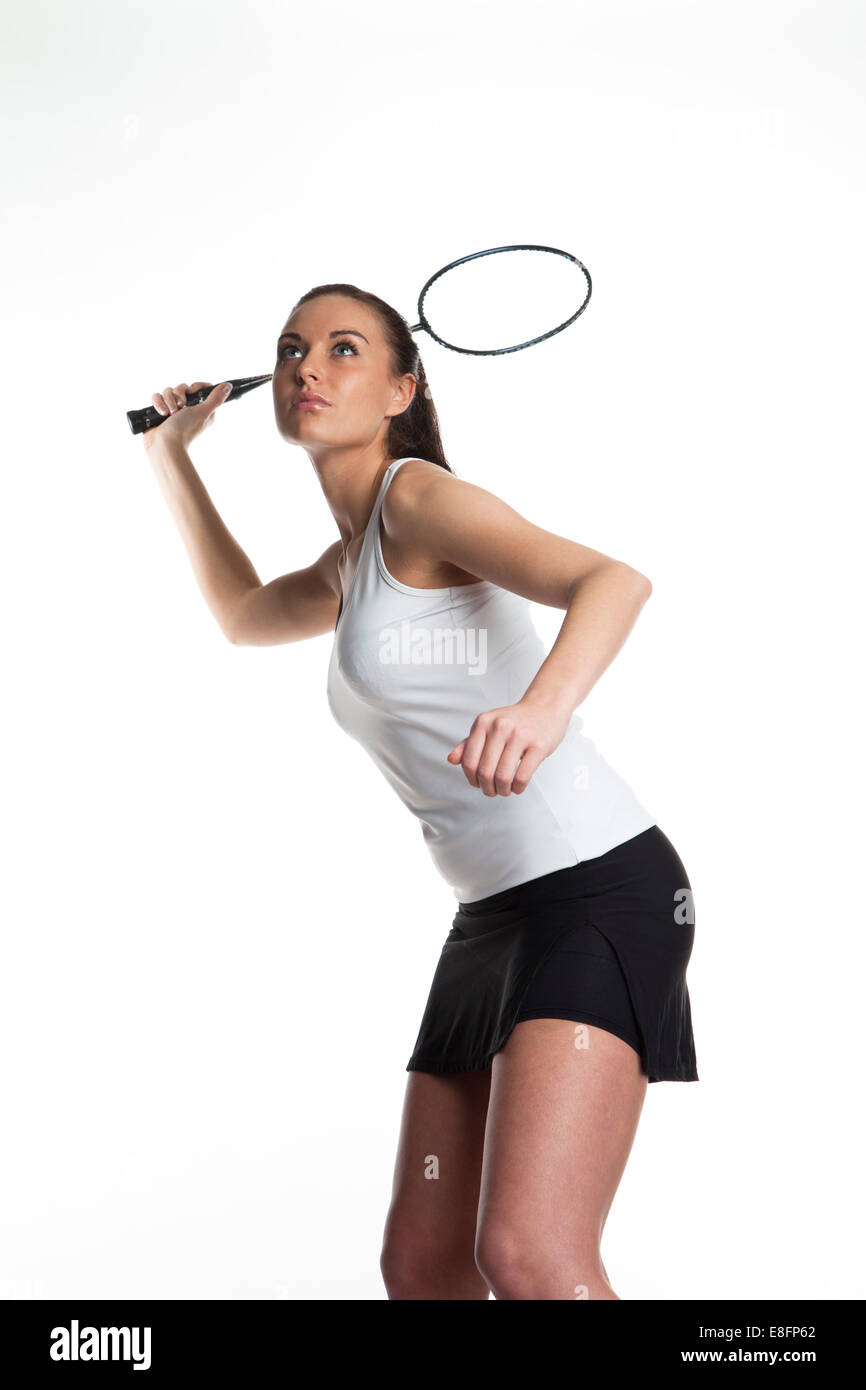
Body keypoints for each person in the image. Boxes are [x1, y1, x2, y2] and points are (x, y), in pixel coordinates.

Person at [143, 283, 699, 1301]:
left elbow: (614, 580)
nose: (307, 367)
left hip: (595, 891)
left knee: (530, 1254)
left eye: (343, 349)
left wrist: (540, 711)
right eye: (290, 349)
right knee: (424, 1265)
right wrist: (169, 454)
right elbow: (241, 614)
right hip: (491, 919)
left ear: (401, 387)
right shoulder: (349, 560)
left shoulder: (415, 499)